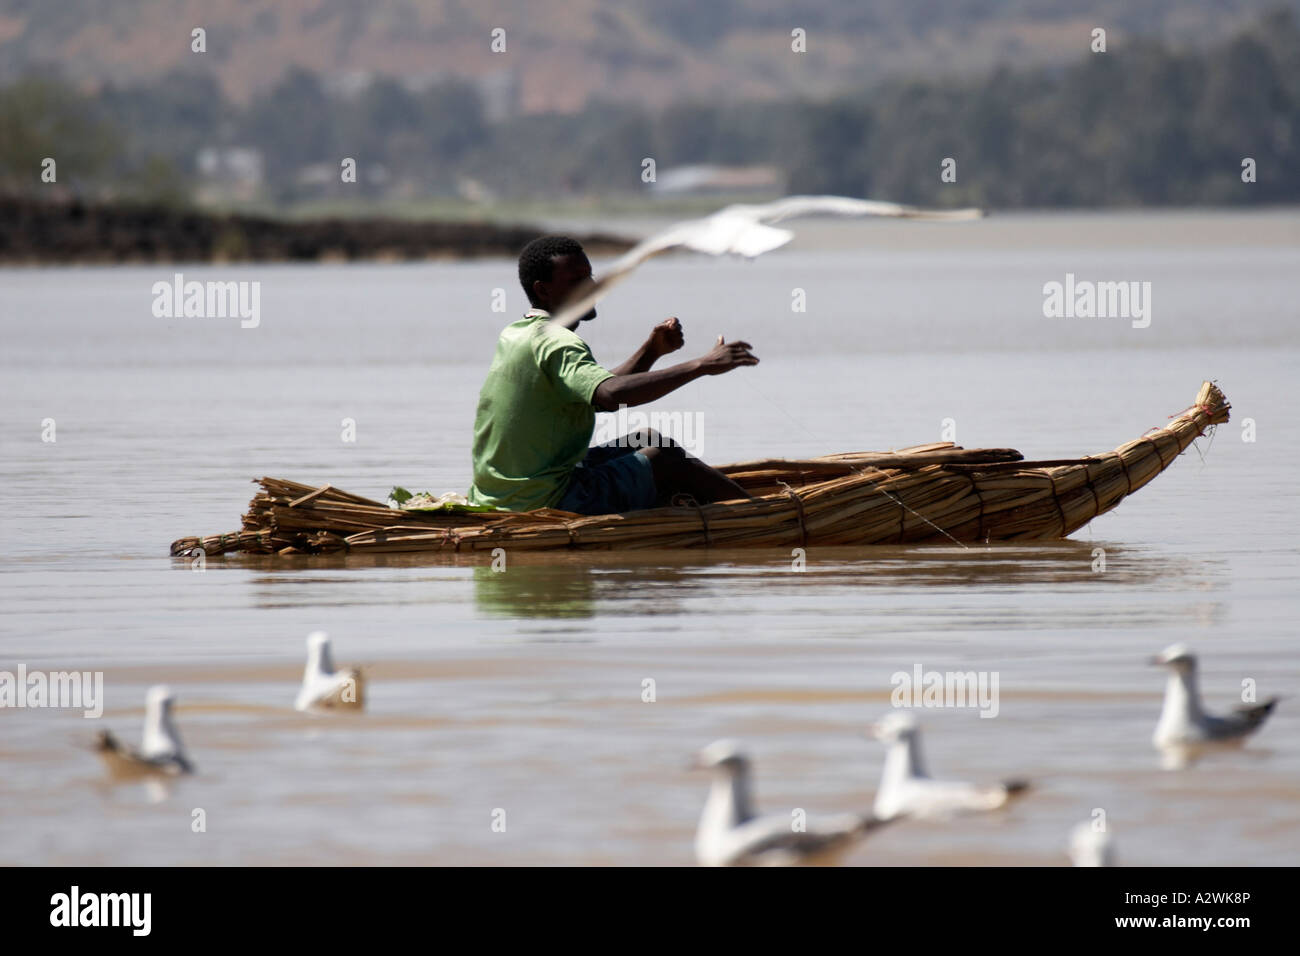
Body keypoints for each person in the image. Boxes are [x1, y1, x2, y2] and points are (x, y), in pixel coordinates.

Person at [467, 235, 759, 514]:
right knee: (664, 457)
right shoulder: (558, 341)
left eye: (590, 276)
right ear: (543, 290)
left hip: (500, 493)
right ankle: (760, 516)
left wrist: (651, 351)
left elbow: (595, 393)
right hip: (547, 500)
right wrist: (701, 365)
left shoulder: (517, 333)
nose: (592, 287)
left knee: (646, 437)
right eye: (576, 281)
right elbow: (611, 395)